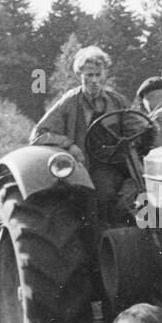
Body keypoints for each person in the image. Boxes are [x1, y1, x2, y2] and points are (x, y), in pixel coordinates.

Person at [30, 45, 137, 220]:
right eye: (89, 75)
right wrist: (69, 145)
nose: (94, 80)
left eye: (98, 74)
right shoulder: (70, 101)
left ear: (104, 75)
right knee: (105, 192)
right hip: (86, 165)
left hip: (118, 162)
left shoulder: (117, 100)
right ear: (80, 75)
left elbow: (135, 127)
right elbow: (38, 134)